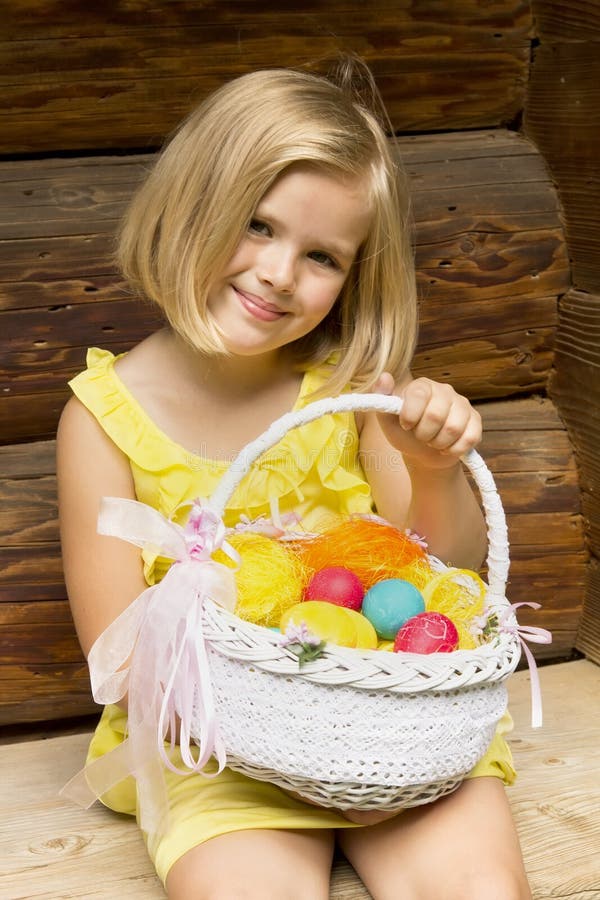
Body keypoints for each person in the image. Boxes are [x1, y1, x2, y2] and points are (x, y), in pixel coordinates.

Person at [57, 60, 531, 900]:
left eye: (323, 256)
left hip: (391, 729)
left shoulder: (356, 389)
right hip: (212, 747)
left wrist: (431, 466)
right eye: (257, 225)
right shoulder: (102, 419)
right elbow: (117, 660)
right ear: (190, 202)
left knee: (479, 892)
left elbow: (446, 570)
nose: (280, 274)